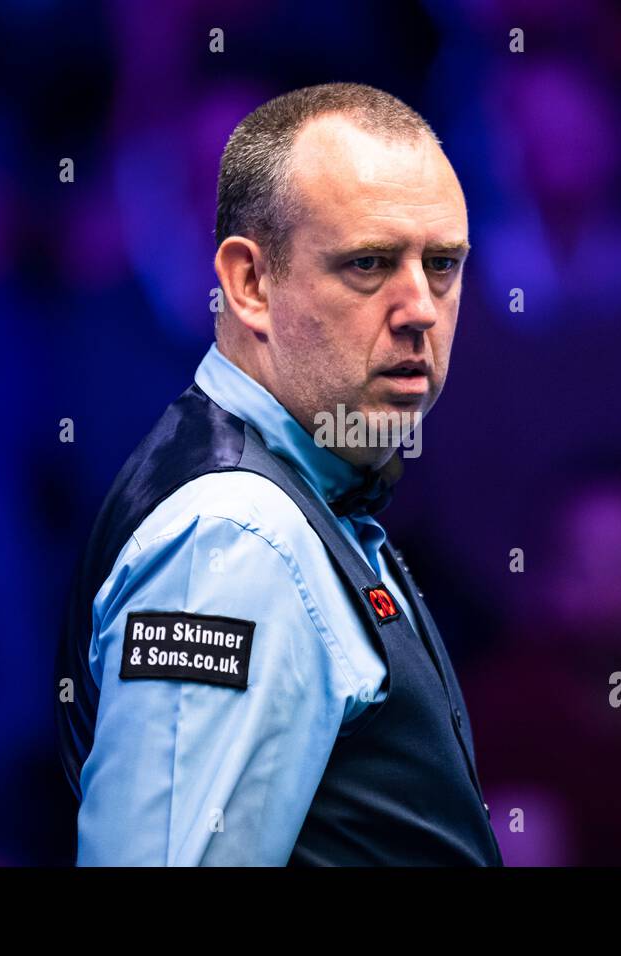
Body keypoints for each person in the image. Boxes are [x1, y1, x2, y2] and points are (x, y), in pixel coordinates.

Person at [55, 82, 503, 866]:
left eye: (442, 264)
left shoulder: (306, 494)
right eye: (368, 263)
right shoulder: (232, 541)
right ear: (250, 284)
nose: (421, 309)